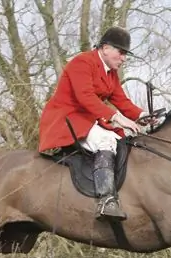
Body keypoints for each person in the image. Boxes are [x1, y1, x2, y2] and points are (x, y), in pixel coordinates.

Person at [38, 26, 153, 222]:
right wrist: (117, 118)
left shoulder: (111, 74)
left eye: (125, 54)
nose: (124, 58)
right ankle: (106, 201)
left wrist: (142, 115)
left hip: (88, 119)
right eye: (121, 52)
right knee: (106, 140)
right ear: (106, 48)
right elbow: (85, 98)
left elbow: (121, 101)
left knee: (121, 139)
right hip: (67, 118)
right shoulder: (82, 62)